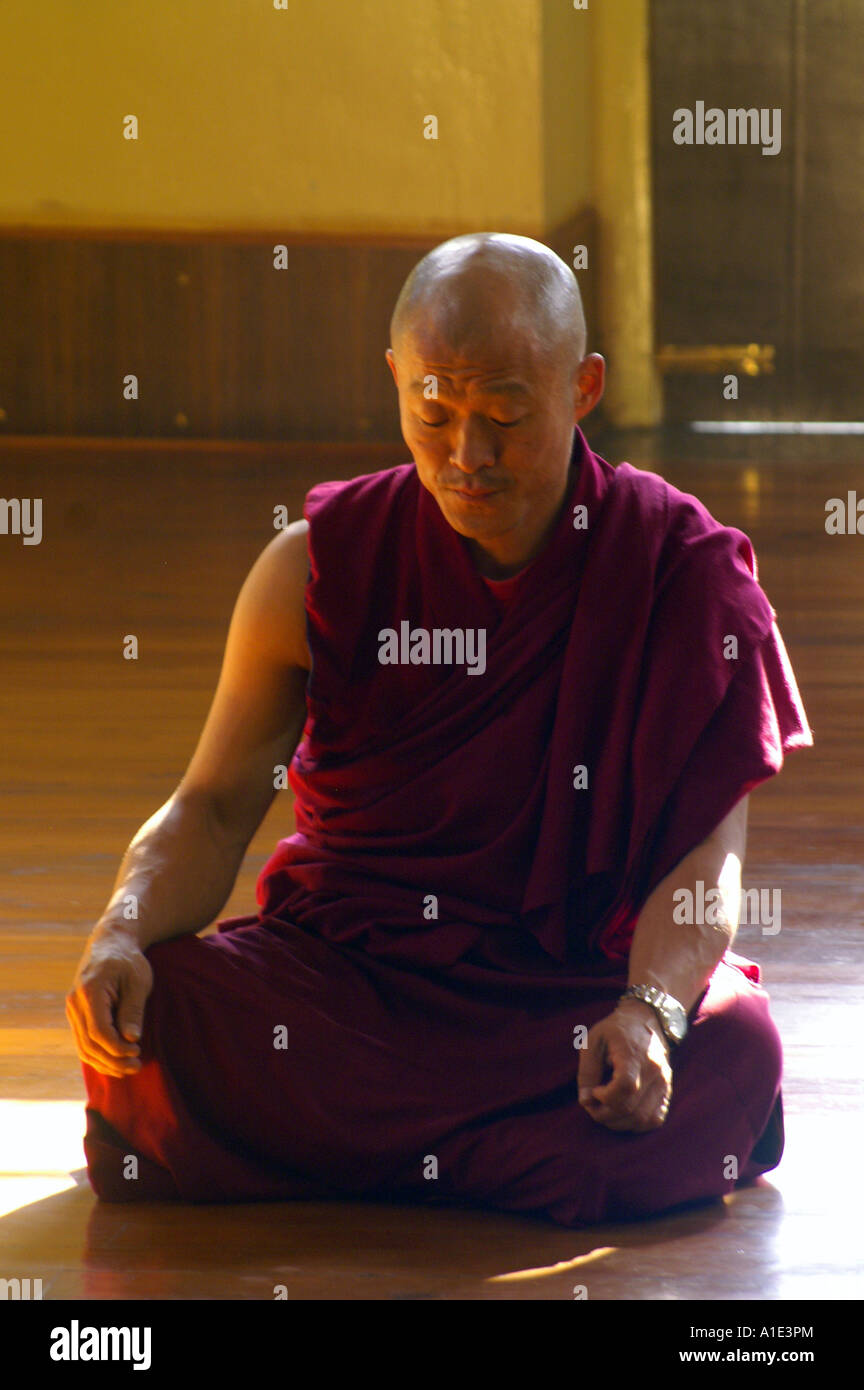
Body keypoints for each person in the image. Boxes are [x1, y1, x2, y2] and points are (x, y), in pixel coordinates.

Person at [66, 233, 812, 1226]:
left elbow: (705, 867)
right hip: (354, 982)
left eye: (505, 410)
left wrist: (651, 1014)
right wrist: (119, 933)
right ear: (393, 381)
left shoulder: (677, 568)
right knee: (153, 1017)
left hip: (572, 993)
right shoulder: (316, 568)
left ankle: (354, 1157)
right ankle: (528, 1165)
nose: (469, 452)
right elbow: (208, 807)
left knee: (736, 1046)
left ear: (584, 386)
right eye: (434, 408)